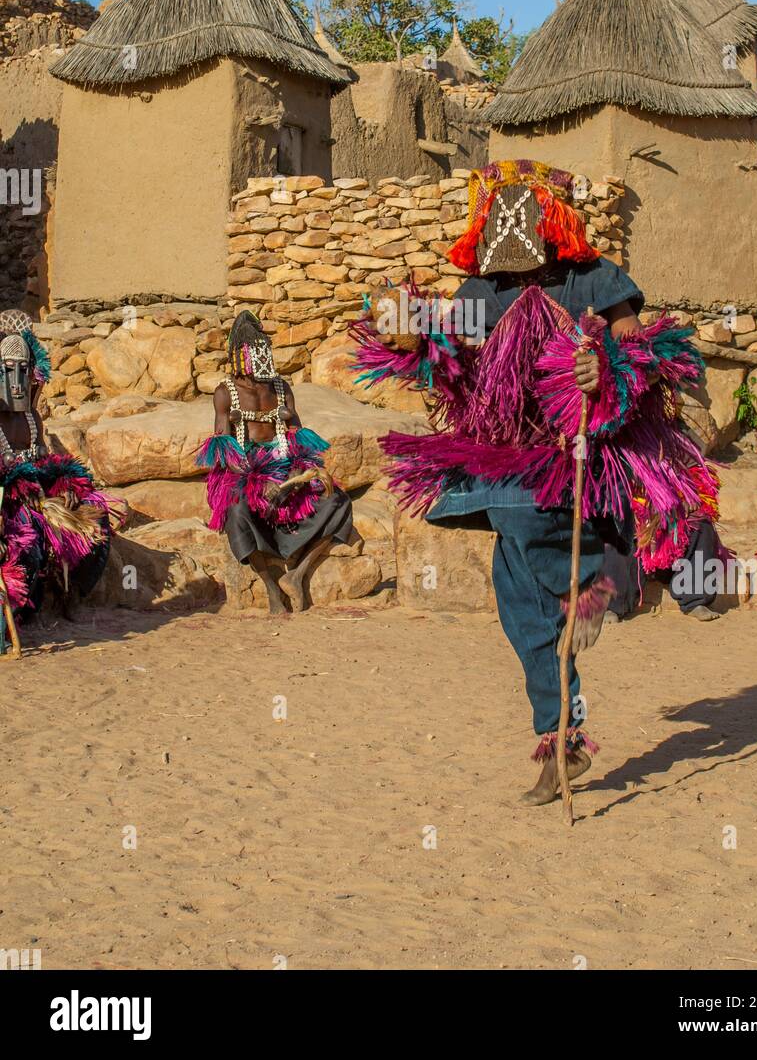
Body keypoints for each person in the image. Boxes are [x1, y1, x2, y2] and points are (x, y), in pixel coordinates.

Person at [352, 161, 722, 806]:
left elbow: (653, 358)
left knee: (532, 532)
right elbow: (454, 369)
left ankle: (608, 578)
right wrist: (411, 340)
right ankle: (560, 738)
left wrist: (604, 371)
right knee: (521, 611)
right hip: (507, 456)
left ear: (553, 218)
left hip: (583, 451)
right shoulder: (478, 295)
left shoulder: (594, 281)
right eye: (501, 211)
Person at [198, 310, 356, 614]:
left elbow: (297, 439)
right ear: (239, 355)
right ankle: (271, 586)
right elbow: (226, 450)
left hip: (286, 467)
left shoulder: (281, 389)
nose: (259, 358)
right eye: (252, 353)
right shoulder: (225, 392)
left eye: (262, 352)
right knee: (236, 509)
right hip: (244, 470)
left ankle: (296, 576)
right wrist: (256, 481)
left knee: (336, 500)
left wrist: (294, 477)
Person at [0, 309, 117, 629]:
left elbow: (42, 465)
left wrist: (64, 488)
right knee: (29, 531)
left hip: (39, 498)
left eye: (24, 370)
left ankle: (73, 594)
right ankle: (25, 610)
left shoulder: (31, 419)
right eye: (9, 370)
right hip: (9, 508)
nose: (18, 379)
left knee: (96, 512)